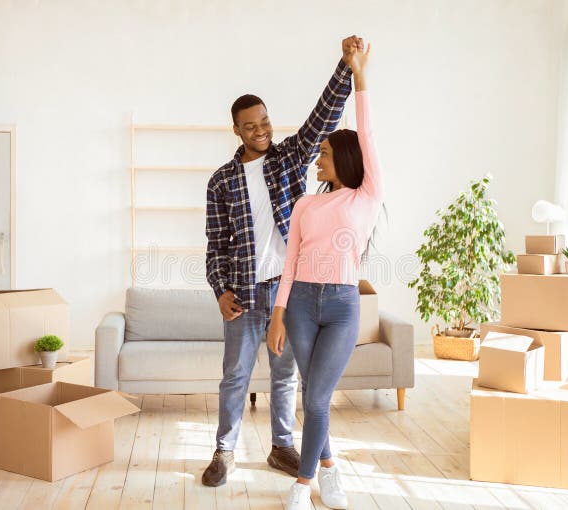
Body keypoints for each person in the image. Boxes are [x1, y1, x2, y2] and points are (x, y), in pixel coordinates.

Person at [202, 36, 364, 488]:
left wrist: (346, 65)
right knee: (234, 375)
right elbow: (215, 245)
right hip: (242, 294)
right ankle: (225, 451)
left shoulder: (291, 158)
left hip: (289, 291)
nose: (261, 130)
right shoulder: (220, 182)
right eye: (250, 126)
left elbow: (324, 115)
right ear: (236, 129)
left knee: (285, 374)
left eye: (265, 121)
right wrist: (220, 290)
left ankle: (281, 447)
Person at [267, 40, 380, 510]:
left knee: (316, 400)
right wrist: (277, 314)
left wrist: (359, 77)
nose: (318, 158)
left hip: (340, 306)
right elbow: (289, 263)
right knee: (312, 394)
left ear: (347, 159)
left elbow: (368, 133)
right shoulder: (304, 205)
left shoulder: (367, 196)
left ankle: (301, 484)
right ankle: (329, 472)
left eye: (326, 152)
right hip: (298, 307)